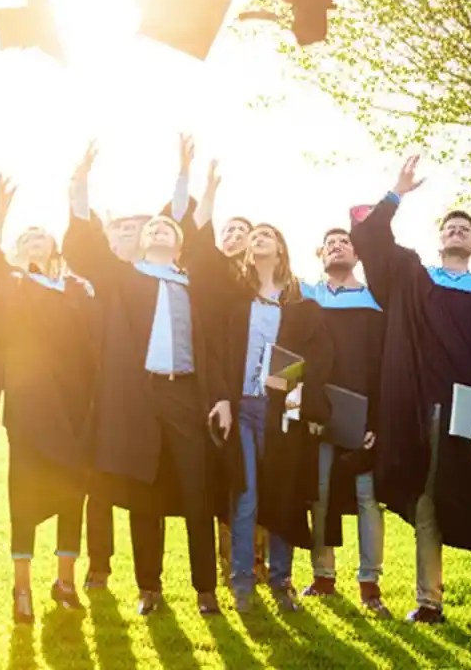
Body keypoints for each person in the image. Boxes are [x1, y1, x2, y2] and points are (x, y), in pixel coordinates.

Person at [351, 155, 471, 628]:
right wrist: (397, 193)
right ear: (440, 238)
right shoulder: (414, 277)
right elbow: (368, 237)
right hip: (416, 410)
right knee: (425, 500)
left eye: (464, 229)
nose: (456, 232)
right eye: (449, 227)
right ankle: (429, 602)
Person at [63, 137, 230, 617]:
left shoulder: (194, 282)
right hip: (139, 395)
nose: (157, 231)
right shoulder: (123, 277)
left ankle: (204, 590)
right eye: (151, 228)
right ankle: (149, 588)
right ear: (142, 241)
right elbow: (86, 247)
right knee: (144, 494)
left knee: (196, 490)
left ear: (178, 241)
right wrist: (79, 186)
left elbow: (212, 346)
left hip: (185, 395)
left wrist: (218, 397)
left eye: (165, 228)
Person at [185, 157, 333, 614]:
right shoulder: (235, 298)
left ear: (280, 250)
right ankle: (243, 583)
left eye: (266, 234)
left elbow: (312, 364)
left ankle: (283, 581)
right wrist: (224, 400)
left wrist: (299, 410)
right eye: (254, 236)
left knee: (283, 492)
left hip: (283, 407)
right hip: (242, 405)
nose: (258, 238)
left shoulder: (300, 305)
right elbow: (203, 254)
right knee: (246, 495)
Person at [0, 176, 97, 622]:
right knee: (23, 493)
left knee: (71, 492)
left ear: (54, 247)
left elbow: (91, 342)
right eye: (25, 237)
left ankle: (64, 581)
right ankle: (20, 587)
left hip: (72, 403)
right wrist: (1, 214)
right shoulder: (8, 283)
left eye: (39, 235)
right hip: (27, 402)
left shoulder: (74, 288)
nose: (33, 240)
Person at [299, 228, 388, 616]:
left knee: (368, 498)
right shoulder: (307, 299)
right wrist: (307, 409)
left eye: (345, 242)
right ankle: (323, 576)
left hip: (364, 415)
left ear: (358, 254)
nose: (337, 245)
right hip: (319, 414)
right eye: (330, 243)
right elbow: (294, 357)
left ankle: (369, 582)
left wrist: (378, 421)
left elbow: (384, 365)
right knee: (318, 492)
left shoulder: (375, 301)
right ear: (321, 254)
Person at [83, 213, 148, 590]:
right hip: (99, 392)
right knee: (100, 484)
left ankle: (147, 578)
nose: (128, 233)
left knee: (144, 484)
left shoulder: (156, 277)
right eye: (120, 228)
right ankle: (99, 565)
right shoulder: (97, 277)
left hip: (143, 391)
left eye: (134, 228)